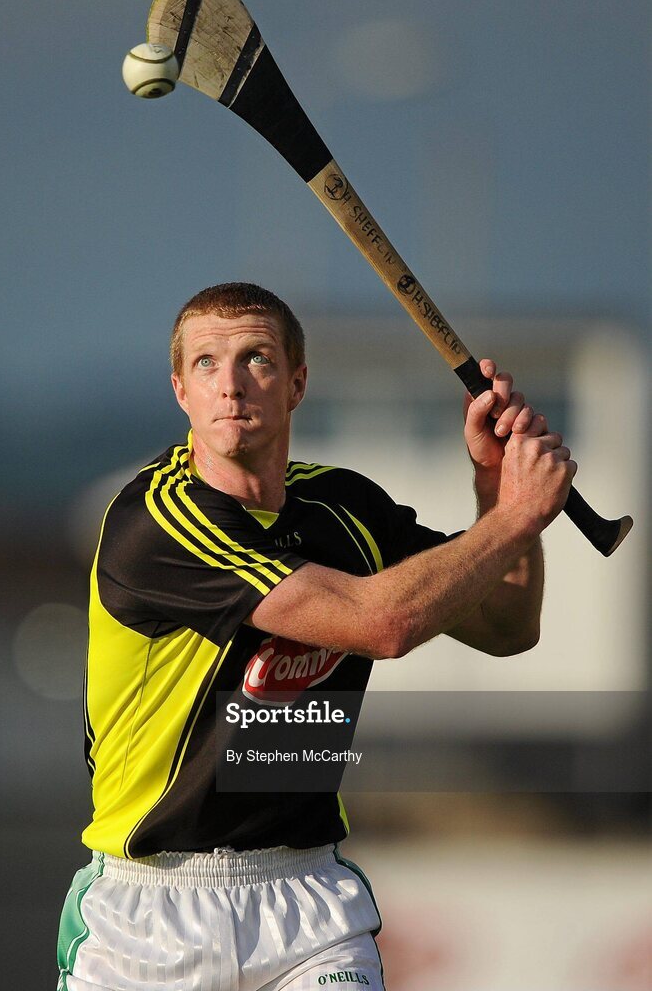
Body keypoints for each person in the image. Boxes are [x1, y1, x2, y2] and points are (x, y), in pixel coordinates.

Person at [56, 282, 576, 991]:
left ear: (296, 383)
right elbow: (379, 624)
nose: (231, 384)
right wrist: (514, 518)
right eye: (206, 363)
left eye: (256, 359)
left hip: (306, 905)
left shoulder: (345, 507)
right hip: (150, 913)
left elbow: (506, 626)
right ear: (180, 390)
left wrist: (491, 484)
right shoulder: (155, 521)